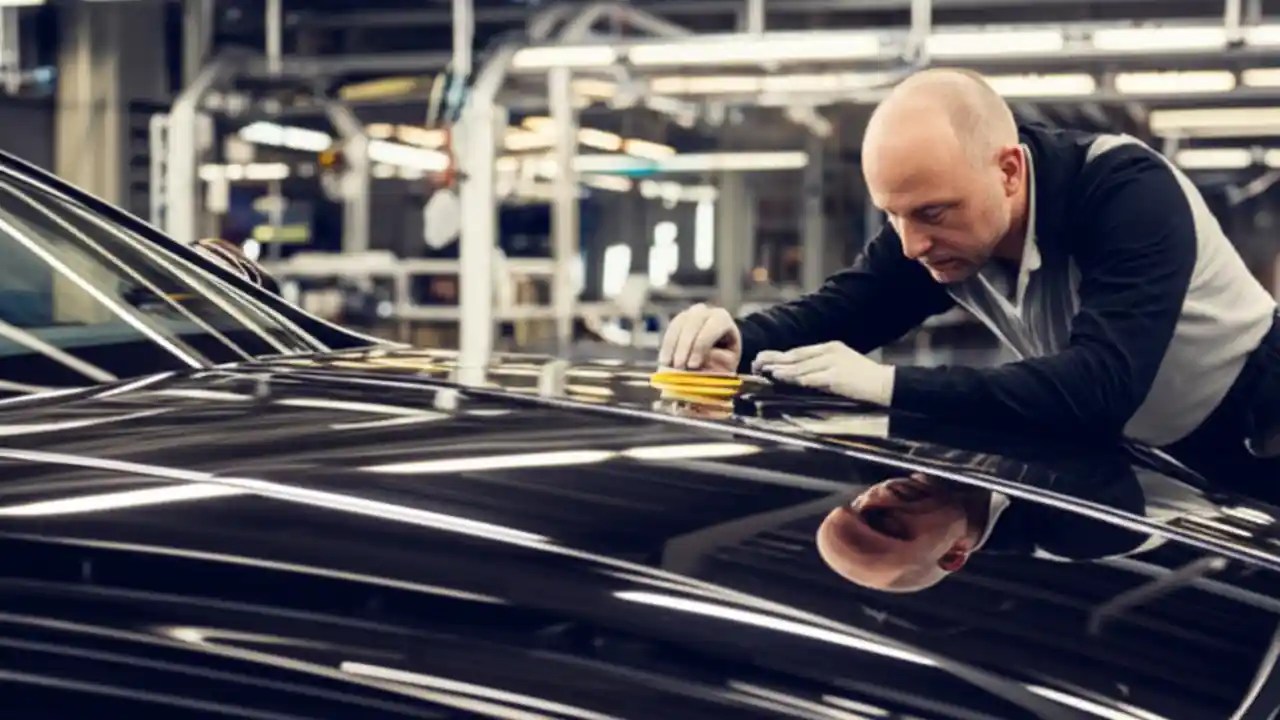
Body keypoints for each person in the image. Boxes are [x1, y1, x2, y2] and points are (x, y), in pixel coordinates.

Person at [658, 68, 1280, 488]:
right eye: (893, 216)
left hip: (1260, 431)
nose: (911, 242)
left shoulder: (1126, 194)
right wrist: (737, 340)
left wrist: (889, 386)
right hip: (1143, 458)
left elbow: (1101, 384)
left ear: (1009, 172)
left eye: (930, 213)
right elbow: (844, 309)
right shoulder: (939, 228)